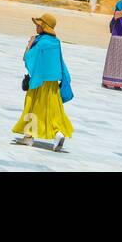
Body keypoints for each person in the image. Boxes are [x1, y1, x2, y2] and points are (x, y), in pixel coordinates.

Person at [12, 13, 74, 152]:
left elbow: (27, 58)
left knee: (31, 107)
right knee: (54, 111)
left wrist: (29, 44)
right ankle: (58, 133)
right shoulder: (56, 42)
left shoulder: (39, 42)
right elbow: (60, 62)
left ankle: (28, 137)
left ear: (44, 26)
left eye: (38, 25)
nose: (36, 27)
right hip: (52, 85)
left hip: (38, 82)